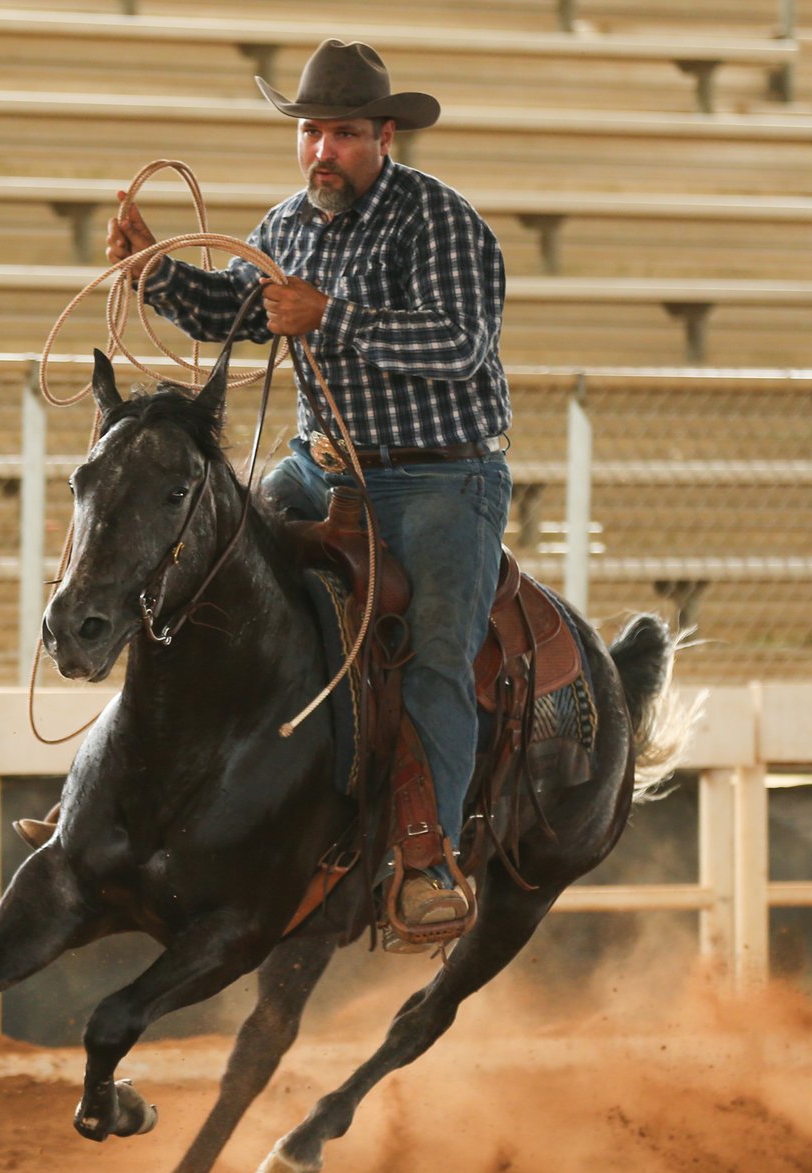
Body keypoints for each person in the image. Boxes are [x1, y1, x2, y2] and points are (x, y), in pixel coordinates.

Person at [106, 39, 512, 950]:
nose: (322, 151)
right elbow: (232, 315)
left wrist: (333, 317)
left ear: (385, 137)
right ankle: (130, 804)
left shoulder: (441, 224)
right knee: (196, 577)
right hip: (321, 466)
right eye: (312, 133)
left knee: (439, 651)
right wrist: (155, 270)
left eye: (344, 135)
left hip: (440, 474)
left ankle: (426, 858)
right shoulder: (287, 226)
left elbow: (462, 347)